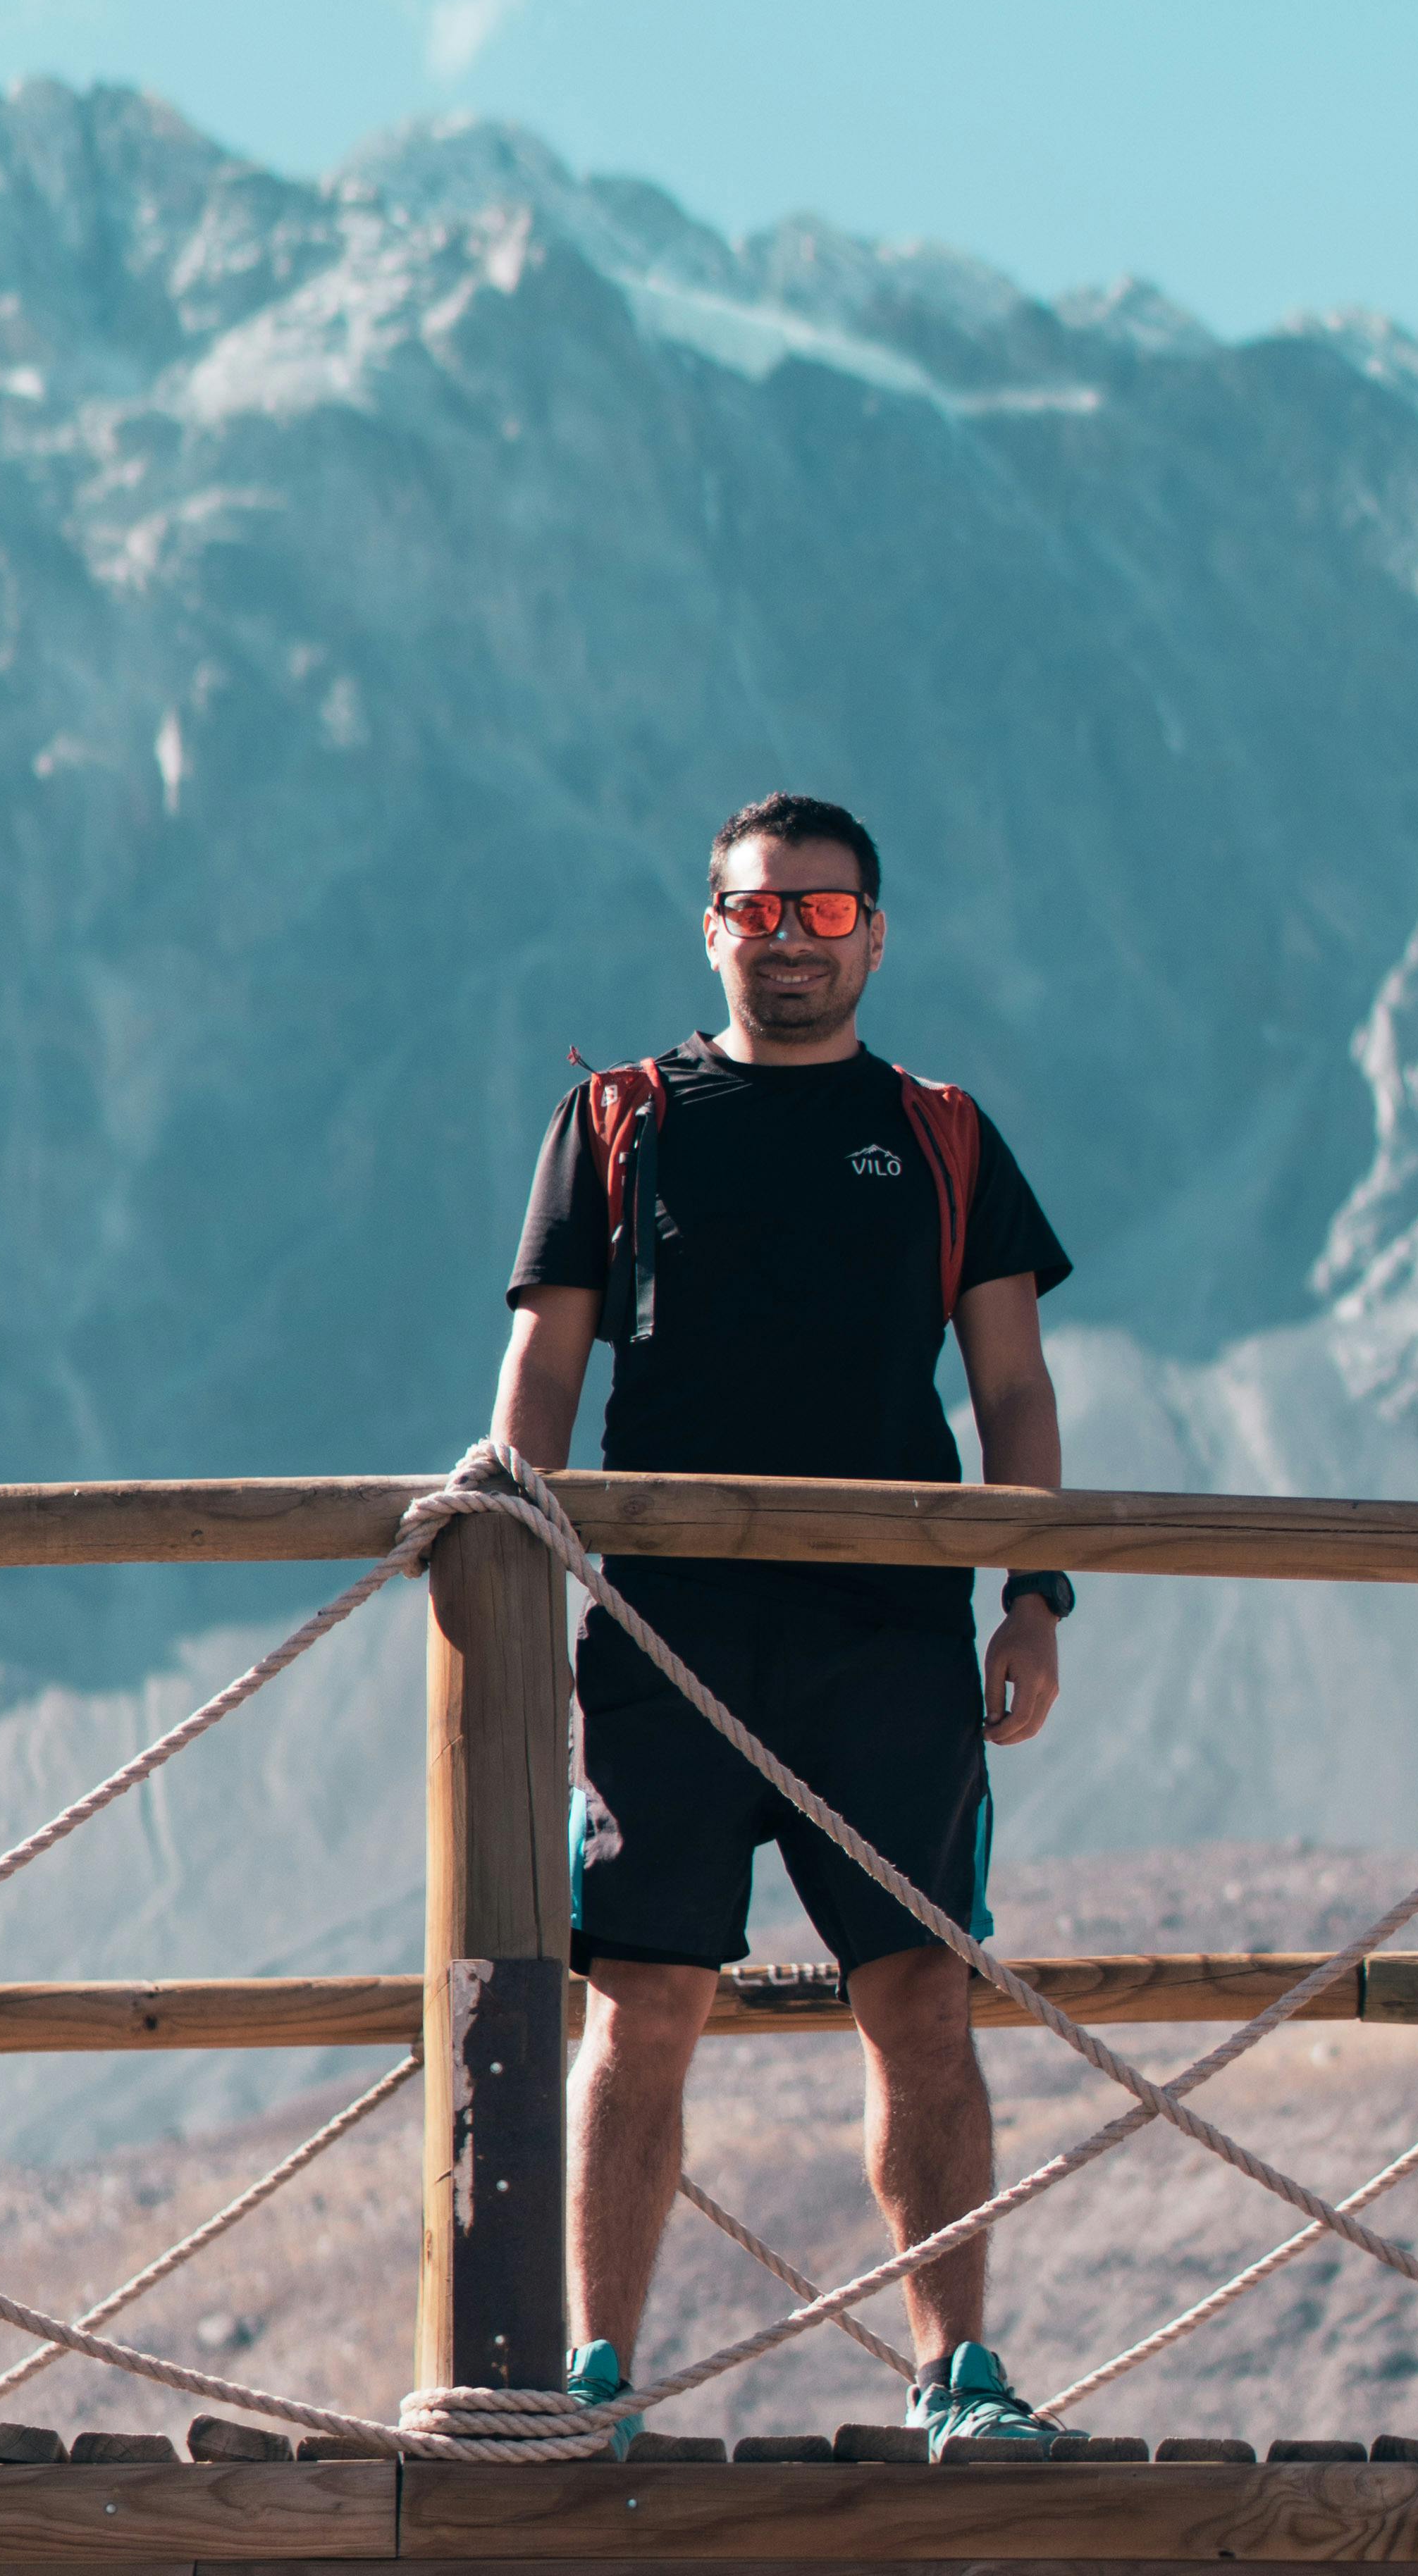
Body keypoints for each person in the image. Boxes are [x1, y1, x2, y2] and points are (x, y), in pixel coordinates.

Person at [497, 791, 1078, 2459]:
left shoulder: (947, 1132)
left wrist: (1031, 1600)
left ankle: (955, 2372)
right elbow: (541, 1379)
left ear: (876, 935)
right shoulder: (618, 1120)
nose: (792, 940)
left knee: (920, 1995)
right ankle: (592, 2378)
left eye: (826, 915)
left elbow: (1016, 1387)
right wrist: (522, 1593)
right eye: (761, 911)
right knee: (642, 2006)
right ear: (712, 928)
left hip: (888, 1643)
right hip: (662, 1638)